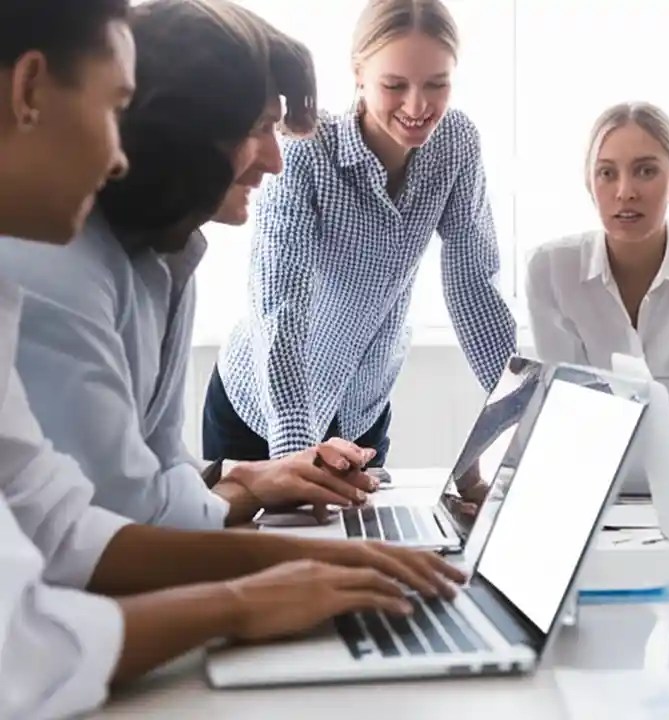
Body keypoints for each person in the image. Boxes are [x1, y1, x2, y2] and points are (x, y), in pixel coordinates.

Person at [0, 3, 462, 716]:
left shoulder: (157, 256)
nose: (121, 150)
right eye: (116, 105)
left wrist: (298, 544)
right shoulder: (49, 271)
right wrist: (244, 597)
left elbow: (67, 526)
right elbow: (31, 644)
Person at [0, 0, 386, 530]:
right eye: (258, 127)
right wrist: (263, 520)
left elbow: (156, 470)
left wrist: (243, 479)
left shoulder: (170, 257)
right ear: (187, 124)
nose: (275, 160)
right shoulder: (62, 263)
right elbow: (122, 522)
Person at [206, 0, 516, 467]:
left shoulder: (456, 143)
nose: (417, 106)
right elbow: (279, 305)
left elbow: (473, 286)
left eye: (437, 84)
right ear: (358, 73)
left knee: (370, 539)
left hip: (360, 412)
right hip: (266, 411)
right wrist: (297, 457)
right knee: (280, 539)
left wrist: (523, 412)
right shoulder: (306, 152)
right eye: (395, 85)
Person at [525, 101, 669, 375]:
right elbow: (568, 403)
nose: (625, 192)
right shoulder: (549, 270)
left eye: (646, 171)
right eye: (607, 173)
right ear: (590, 185)